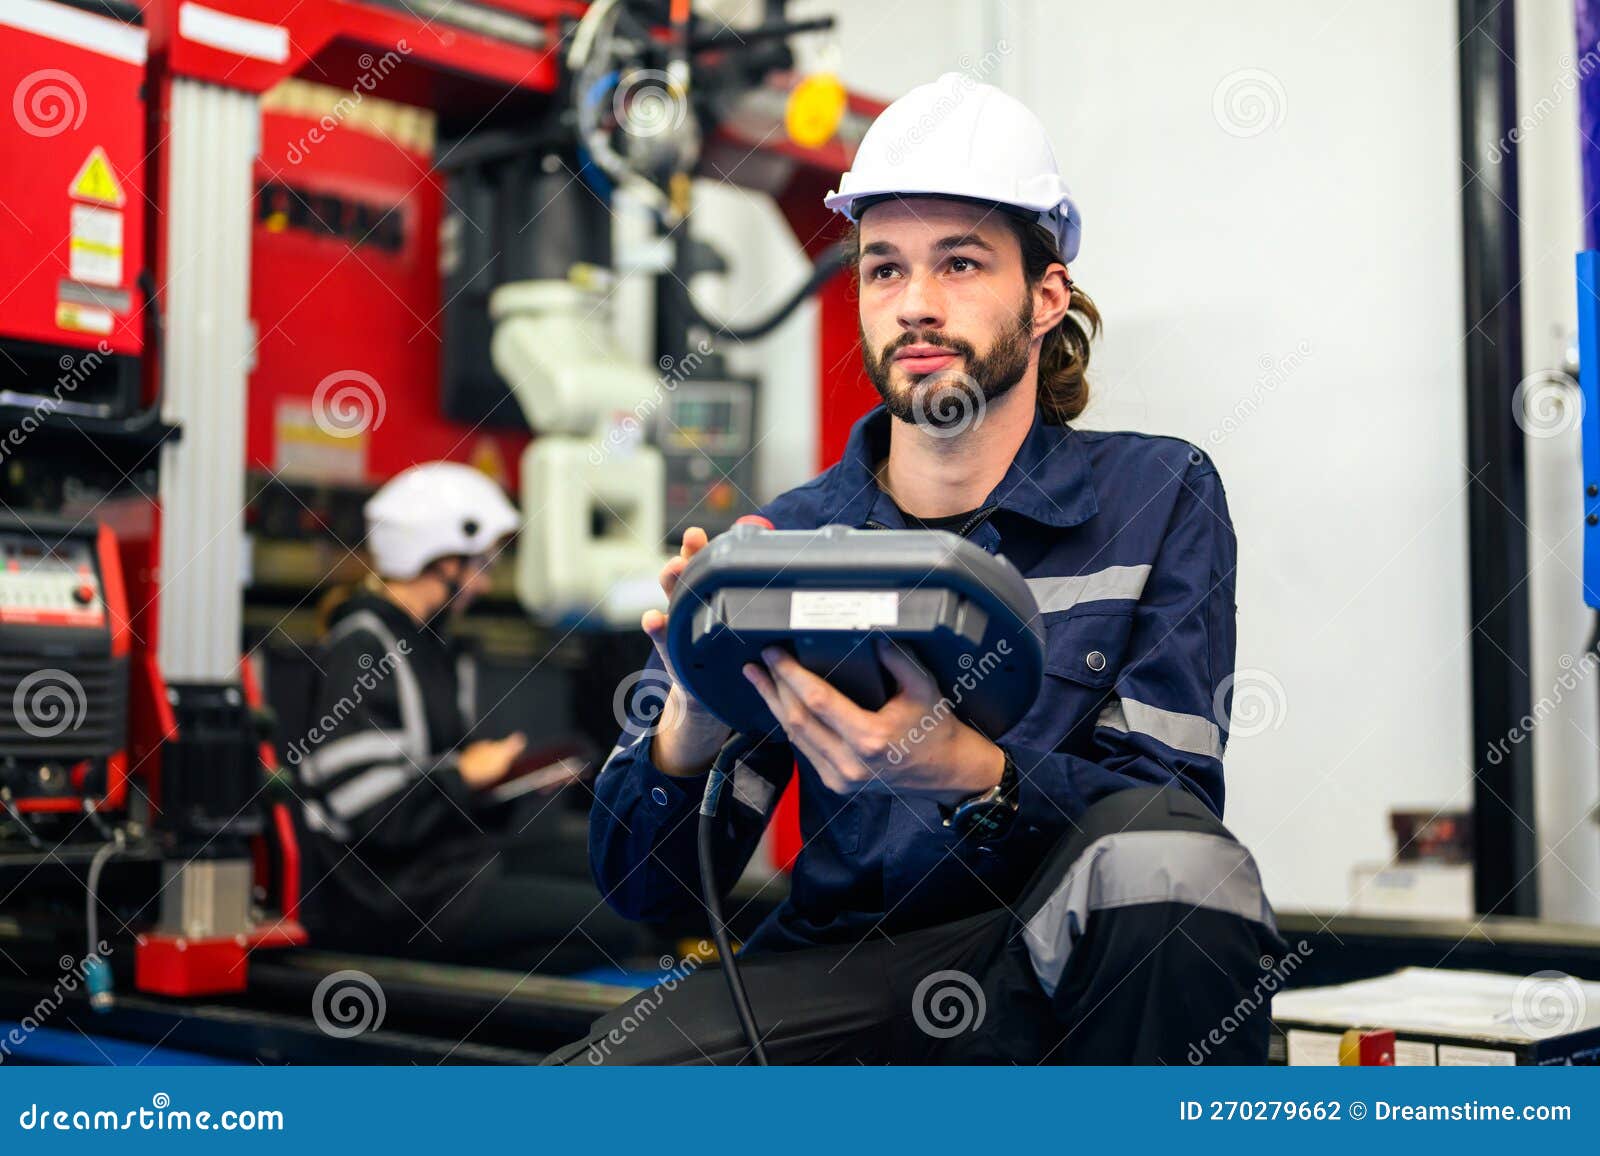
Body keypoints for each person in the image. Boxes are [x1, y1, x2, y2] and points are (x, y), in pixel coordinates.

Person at [545, 74, 1286, 1065]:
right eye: (884, 269)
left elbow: (1167, 810)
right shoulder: (786, 541)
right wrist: (690, 726)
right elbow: (650, 895)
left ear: (1046, 293)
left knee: (1182, 876)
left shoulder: (1157, 494)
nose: (916, 306)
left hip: (1048, 961)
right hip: (845, 965)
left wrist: (975, 775)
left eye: (962, 264)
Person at [293, 460, 641, 969]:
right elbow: (366, 809)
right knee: (618, 925)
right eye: (480, 564)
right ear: (439, 557)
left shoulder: (428, 645)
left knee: (619, 876)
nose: (483, 583)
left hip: (441, 870)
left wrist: (505, 783)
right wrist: (465, 774)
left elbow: (436, 801)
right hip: (395, 898)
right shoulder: (365, 648)